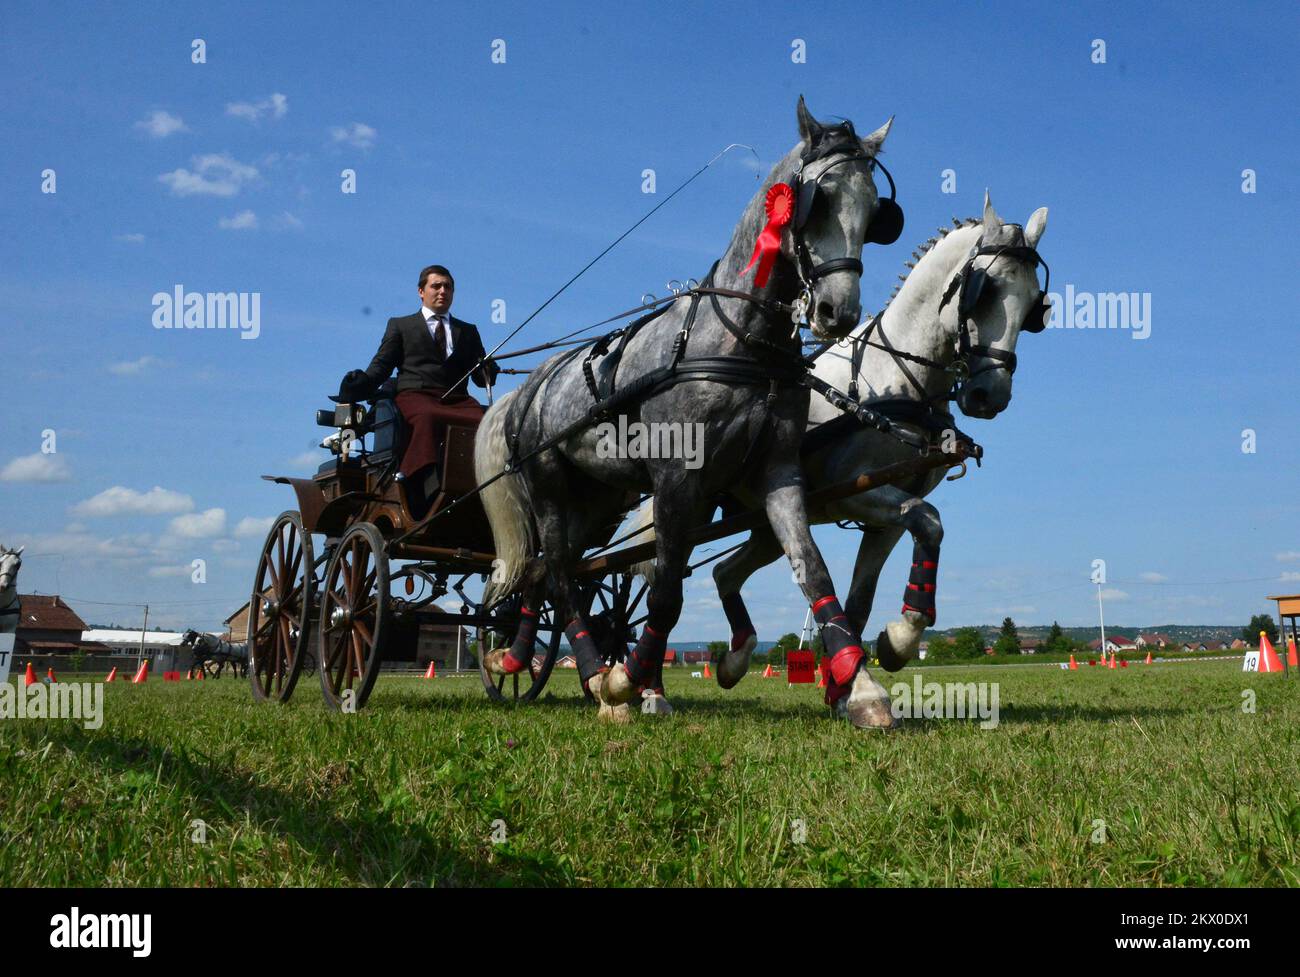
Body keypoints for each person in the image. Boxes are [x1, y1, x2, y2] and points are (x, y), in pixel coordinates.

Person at [337, 264, 498, 517]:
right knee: (427, 417)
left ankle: (481, 482)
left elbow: (480, 378)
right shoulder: (401, 325)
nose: (442, 291)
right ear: (421, 291)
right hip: (416, 396)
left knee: (486, 422)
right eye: (436, 286)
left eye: (448, 287)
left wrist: (489, 368)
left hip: (458, 398)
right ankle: (422, 484)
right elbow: (381, 366)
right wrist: (362, 382)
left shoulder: (468, 331)